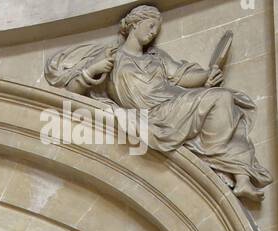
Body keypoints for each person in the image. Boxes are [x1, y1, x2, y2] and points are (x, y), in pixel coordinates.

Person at [45, 4, 270, 202]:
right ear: (135, 24)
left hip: (171, 104)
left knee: (223, 98)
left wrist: (206, 76)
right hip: (149, 114)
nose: (153, 33)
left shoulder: (157, 57)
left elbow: (181, 77)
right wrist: (93, 70)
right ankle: (227, 166)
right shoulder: (112, 56)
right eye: (150, 26)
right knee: (220, 98)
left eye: (156, 30)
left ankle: (239, 177)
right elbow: (73, 92)